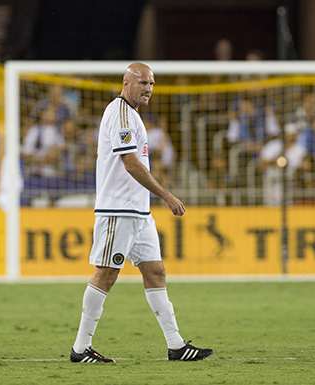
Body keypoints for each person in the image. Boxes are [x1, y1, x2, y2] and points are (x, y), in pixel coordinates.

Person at [70, 63, 212, 363]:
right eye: (143, 82)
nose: (148, 88)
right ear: (126, 82)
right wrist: (167, 195)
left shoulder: (132, 115)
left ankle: (176, 345)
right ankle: (80, 349)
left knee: (155, 271)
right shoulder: (120, 112)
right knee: (106, 274)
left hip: (138, 211)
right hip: (118, 210)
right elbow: (131, 164)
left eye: (152, 83)